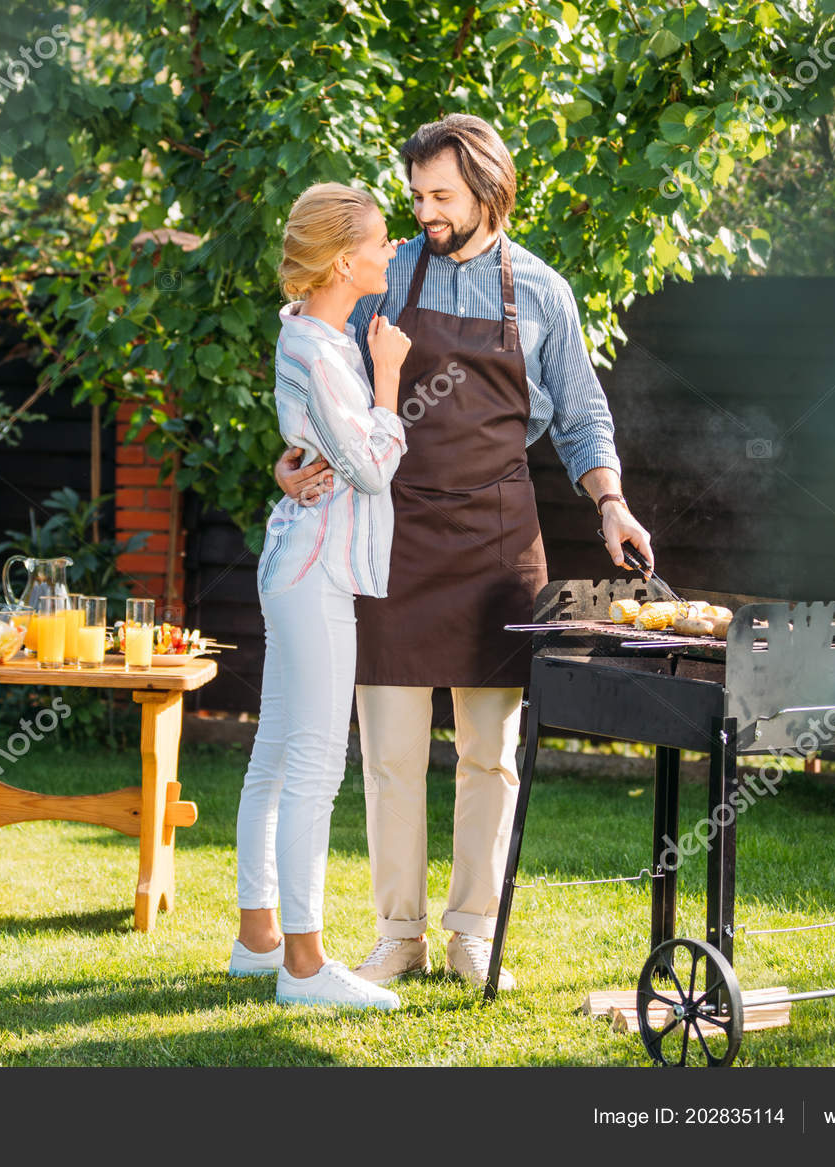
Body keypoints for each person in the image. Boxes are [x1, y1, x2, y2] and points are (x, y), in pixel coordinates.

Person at [275, 115, 654, 991]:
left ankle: (472, 931)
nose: (426, 213)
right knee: (392, 752)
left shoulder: (544, 293)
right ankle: (397, 932)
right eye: (417, 196)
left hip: (495, 539)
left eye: (441, 196)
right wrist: (291, 454)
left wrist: (611, 503)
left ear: (489, 190)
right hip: (392, 532)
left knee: (492, 750)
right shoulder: (389, 271)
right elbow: (317, 364)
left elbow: (584, 411)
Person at [230, 182, 413, 1009]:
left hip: (298, 567)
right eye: (380, 240)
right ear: (346, 259)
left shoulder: (312, 336)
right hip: (315, 576)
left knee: (276, 753)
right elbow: (371, 467)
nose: (392, 248)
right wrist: (389, 379)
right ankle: (304, 968)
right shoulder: (321, 348)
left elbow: (325, 451)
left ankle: (258, 938)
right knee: (313, 762)